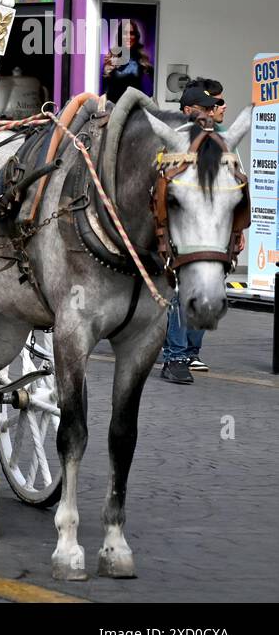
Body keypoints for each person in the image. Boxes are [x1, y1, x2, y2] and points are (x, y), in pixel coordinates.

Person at [159, 80, 225, 384]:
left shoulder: (217, 140)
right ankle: (175, 356)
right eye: (206, 108)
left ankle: (190, 351)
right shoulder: (172, 140)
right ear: (188, 110)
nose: (212, 113)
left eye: (213, 108)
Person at [101, 19, 153, 105]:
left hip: (134, 111)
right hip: (114, 109)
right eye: (125, 33)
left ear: (136, 36)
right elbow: (103, 89)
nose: (128, 37)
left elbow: (152, 88)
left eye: (132, 33)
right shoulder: (111, 57)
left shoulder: (142, 59)